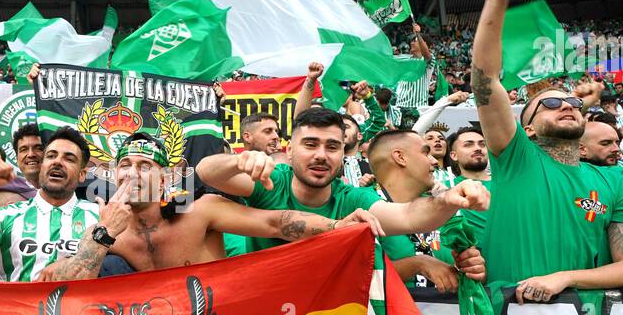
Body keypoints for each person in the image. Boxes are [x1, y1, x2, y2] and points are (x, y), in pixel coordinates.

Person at [469, 0, 623, 302]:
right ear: (527, 127)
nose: (566, 105)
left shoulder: (614, 181)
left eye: (572, 102)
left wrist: (562, 278)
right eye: (549, 104)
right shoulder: (516, 157)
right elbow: (484, 79)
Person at [35, 133, 385, 280]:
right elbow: (66, 281)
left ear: (169, 178)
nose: (133, 173)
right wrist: (104, 233)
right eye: (126, 165)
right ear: (113, 173)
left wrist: (337, 227)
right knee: (107, 264)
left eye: (146, 166)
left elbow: (276, 223)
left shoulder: (200, 211)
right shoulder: (104, 224)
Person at [196, 106, 490, 255]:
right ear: (290, 151)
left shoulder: (352, 198)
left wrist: (449, 198)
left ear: (342, 154)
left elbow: (409, 215)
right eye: (310, 144)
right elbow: (206, 172)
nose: (321, 155)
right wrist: (238, 160)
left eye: (332, 147)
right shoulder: (273, 181)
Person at [0, 127, 101, 282]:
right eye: (51, 156)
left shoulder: (100, 216)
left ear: (82, 174)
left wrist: (75, 261)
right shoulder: (5, 216)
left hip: (77, 311)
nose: (57, 162)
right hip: (15, 312)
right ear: (41, 166)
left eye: (69, 159)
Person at [367, 129, 487, 292]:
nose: (435, 162)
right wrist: (418, 264)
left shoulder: (444, 206)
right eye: (426, 153)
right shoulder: (362, 207)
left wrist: (474, 268)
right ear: (400, 157)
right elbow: (359, 277)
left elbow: (475, 271)